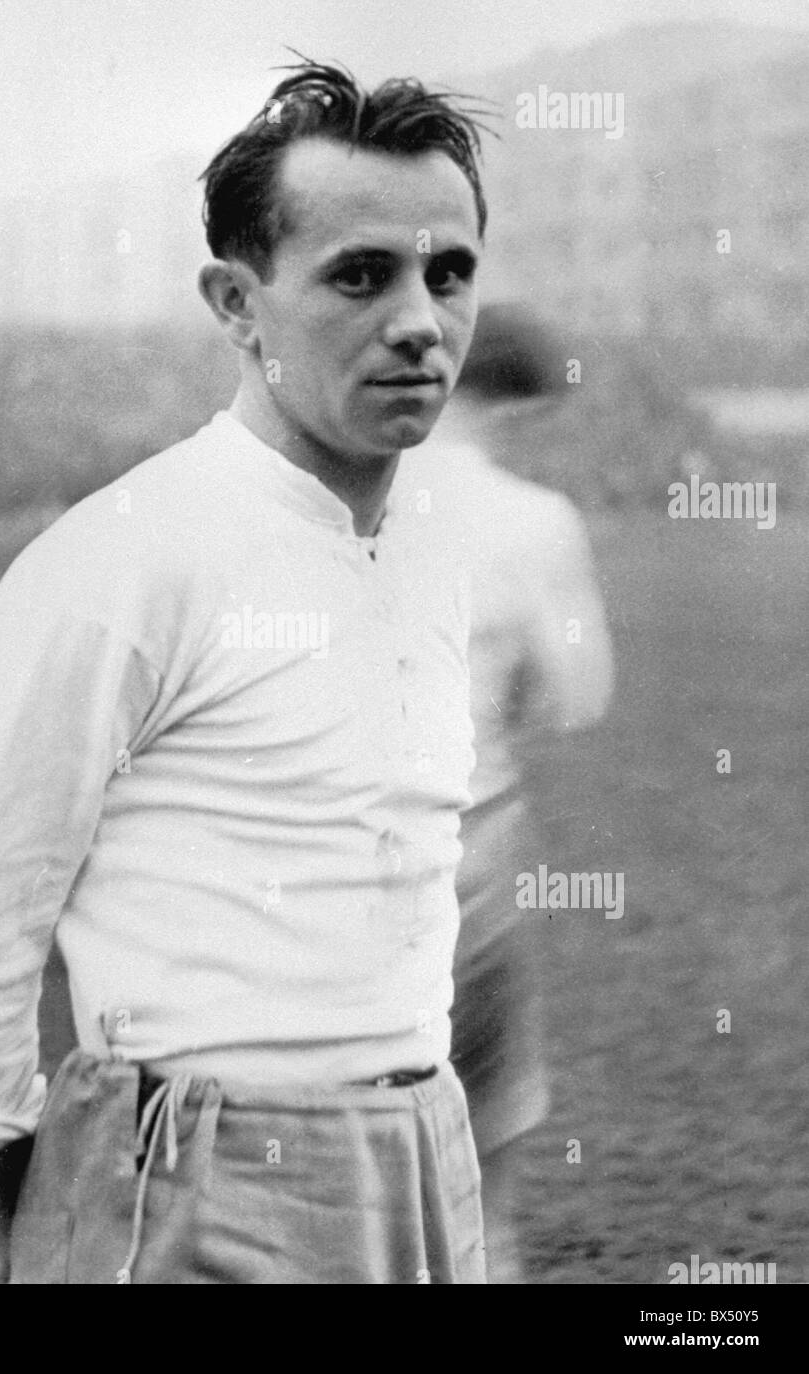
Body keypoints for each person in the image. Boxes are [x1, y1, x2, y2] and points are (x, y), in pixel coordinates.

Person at [0, 60, 493, 1285]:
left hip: (423, 1158)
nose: (419, 317)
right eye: (360, 274)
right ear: (237, 303)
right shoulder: (125, 558)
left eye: (446, 272)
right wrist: (45, 1206)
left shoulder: (432, 542)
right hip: (197, 1175)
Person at [401, 304, 615, 1281]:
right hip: (466, 868)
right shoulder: (533, 520)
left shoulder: (339, 496)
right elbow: (578, 696)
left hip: (316, 881)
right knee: (481, 1176)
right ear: (513, 404)